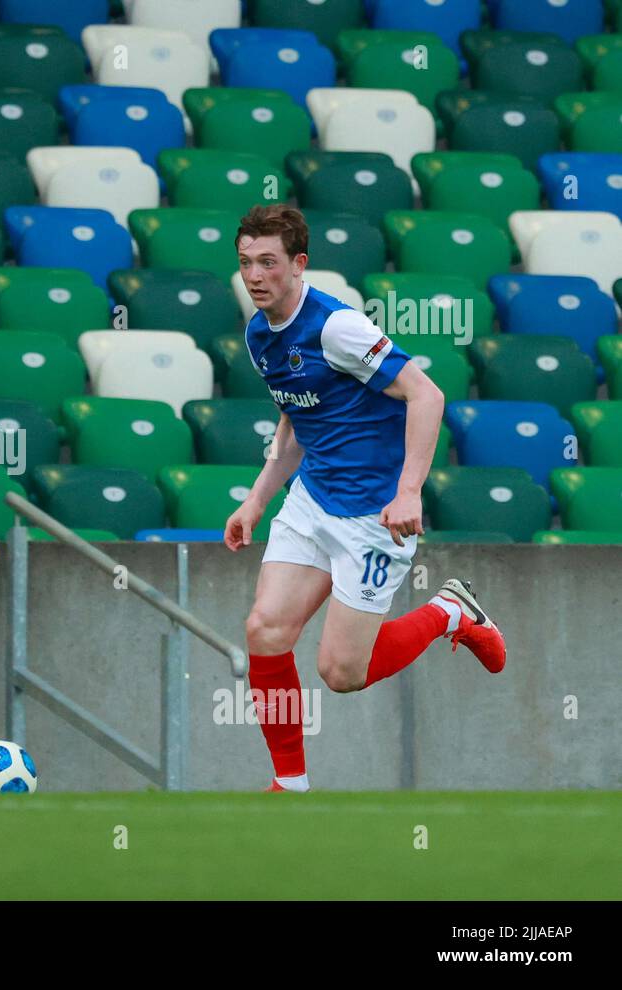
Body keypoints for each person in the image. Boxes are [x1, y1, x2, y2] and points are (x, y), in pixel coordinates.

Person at [224, 205, 506, 793]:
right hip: (311, 501)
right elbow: (297, 418)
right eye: (247, 262)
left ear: (298, 265)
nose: (256, 275)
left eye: (269, 263)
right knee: (265, 630)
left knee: (341, 673)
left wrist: (409, 493)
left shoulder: (336, 327)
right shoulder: (258, 334)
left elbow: (426, 396)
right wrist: (256, 501)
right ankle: (290, 784)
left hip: (373, 515)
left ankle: (449, 612)